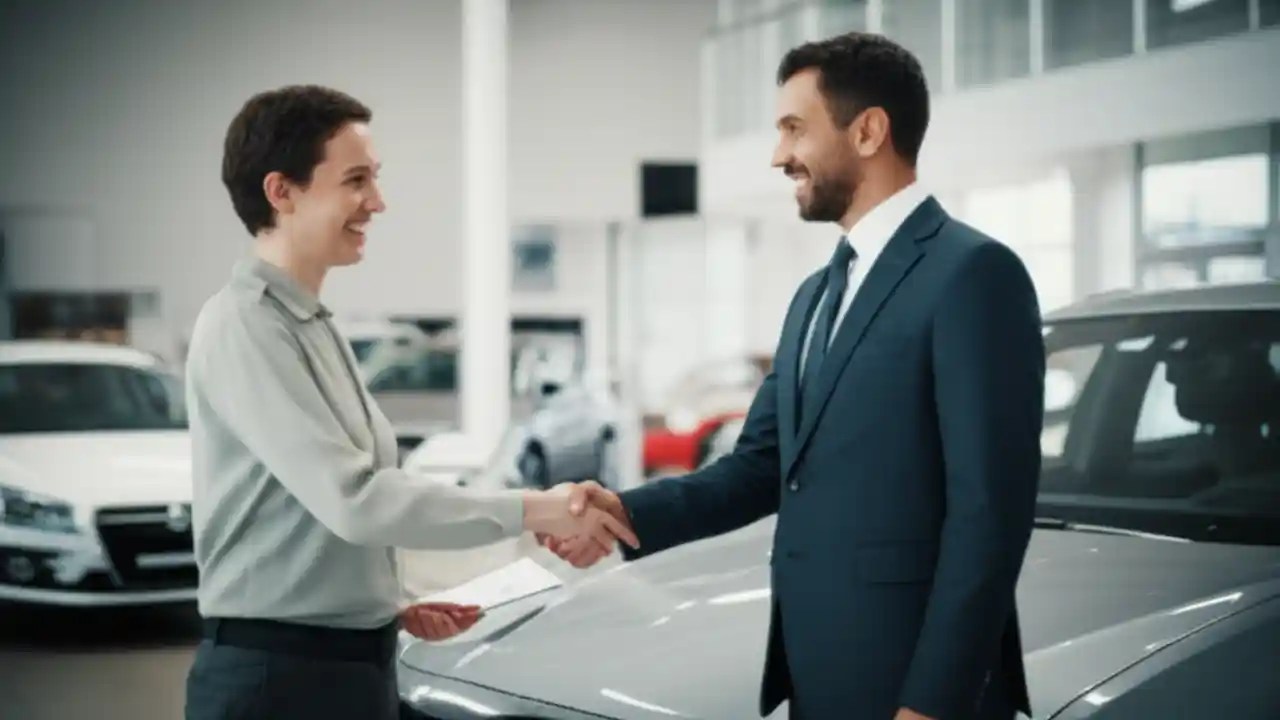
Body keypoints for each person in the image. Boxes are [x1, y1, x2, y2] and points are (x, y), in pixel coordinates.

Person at [545, 32, 1044, 720]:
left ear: (868, 130)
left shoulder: (973, 275)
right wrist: (625, 513)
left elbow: (989, 515)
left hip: (915, 687)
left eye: (793, 129)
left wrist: (933, 703)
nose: (779, 155)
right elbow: (758, 467)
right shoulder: (815, 293)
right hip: (821, 672)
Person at [184, 85, 637, 720]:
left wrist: (380, 602)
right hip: (280, 683)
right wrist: (542, 510)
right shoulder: (245, 326)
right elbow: (357, 501)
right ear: (281, 191)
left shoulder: (313, 323)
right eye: (355, 180)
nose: (377, 201)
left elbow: (307, 513)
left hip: (344, 664)